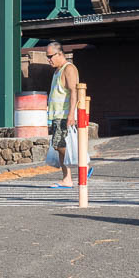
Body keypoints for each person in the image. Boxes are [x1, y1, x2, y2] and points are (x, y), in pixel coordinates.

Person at [46, 41, 82, 188]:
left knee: (58, 145)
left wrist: (71, 114)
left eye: (50, 56)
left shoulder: (69, 69)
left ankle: (81, 164)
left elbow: (74, 91)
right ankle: (67, 178)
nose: (48, 60)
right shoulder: (57, 71)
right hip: (56, 117)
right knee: (59, 146)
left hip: (64, 116)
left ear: (60, 53)